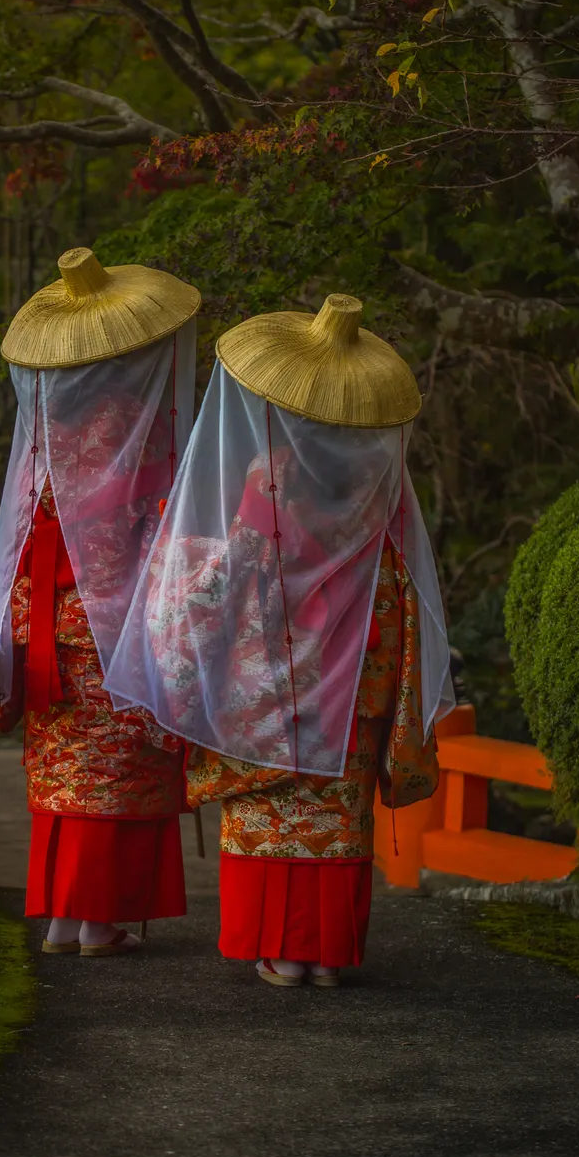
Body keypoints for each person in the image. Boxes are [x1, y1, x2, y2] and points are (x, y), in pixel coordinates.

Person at [106, 293, 453, 986]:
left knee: (271, 817)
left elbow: (203, 604)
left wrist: (246, 530)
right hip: (351, 682)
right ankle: (325, 953)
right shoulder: (375, 494)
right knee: (335, 820)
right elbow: (398, 603)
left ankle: (279, 949)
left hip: (265, 692)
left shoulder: (266, 488)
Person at [0, 246, 200, 957]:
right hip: (120, 626)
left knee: (67, 778)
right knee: (118, 777)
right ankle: (99, 923)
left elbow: (27, 531)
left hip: (50, 625)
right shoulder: (136, 437)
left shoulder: (53, 438)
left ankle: (61, 920)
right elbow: (160, 537)